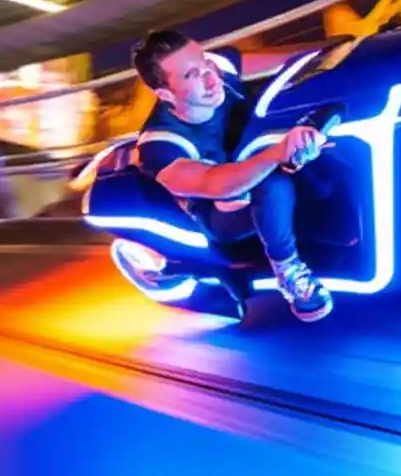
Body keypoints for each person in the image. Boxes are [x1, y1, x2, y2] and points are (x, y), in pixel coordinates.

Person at [130, 29, 335, 322]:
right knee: (271, 183)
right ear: (165, 94)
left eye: (205, 63)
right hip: (221, 213)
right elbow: (218, 184)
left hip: (260, 155)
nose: (212, 80)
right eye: (192, 76)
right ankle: (289, 273)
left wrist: (337, 47)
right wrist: (278, 152)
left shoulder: (215, 69)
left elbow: (292, 60)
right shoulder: (160, 145)